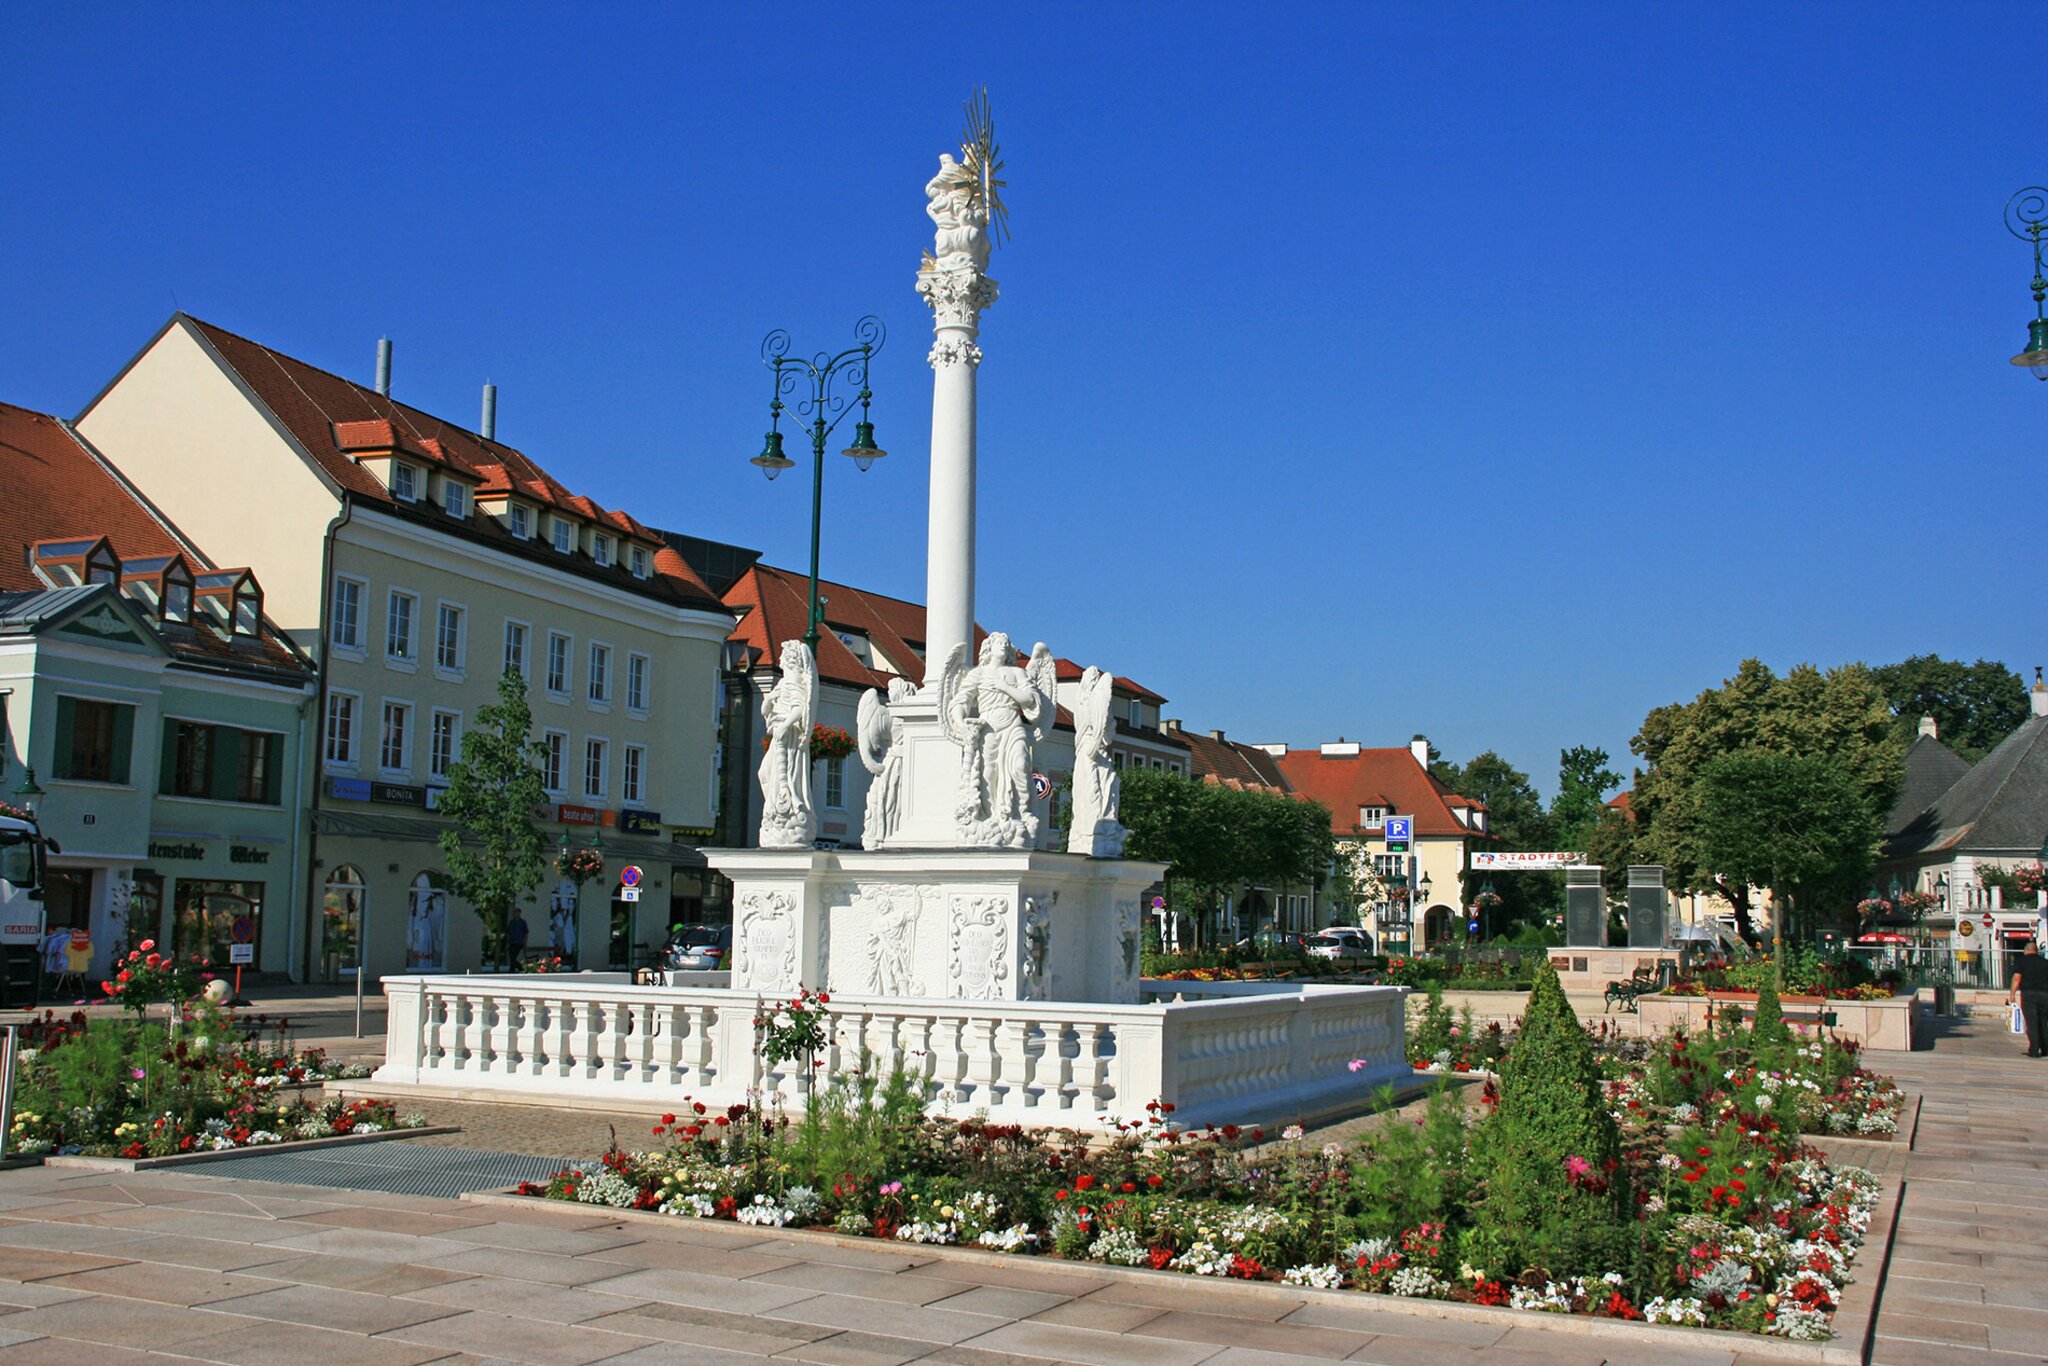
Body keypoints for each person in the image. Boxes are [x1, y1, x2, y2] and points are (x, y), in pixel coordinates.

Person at [2007, 936, 2048, 1057]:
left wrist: (2012, 993)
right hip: (2045, 995)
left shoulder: (2021, 961)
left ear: (2026, 950)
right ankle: (2045, 1048)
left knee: (2032, 1022)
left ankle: (2034, 1049)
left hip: (2028, 994)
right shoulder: (2045, 963)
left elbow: (2017, 978)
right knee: (2043, 1021)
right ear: (2036, 950)